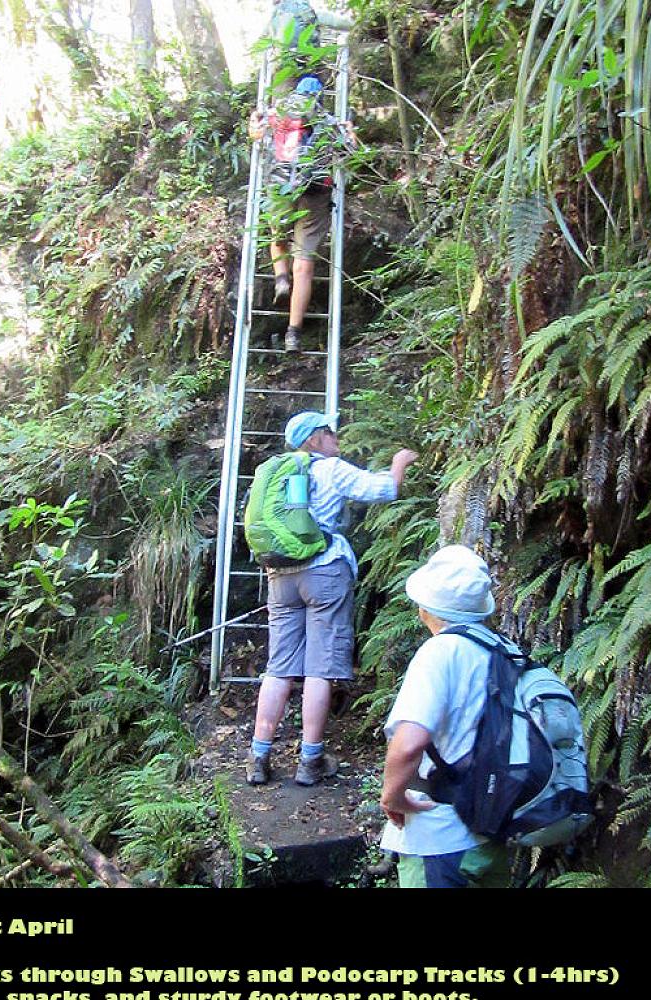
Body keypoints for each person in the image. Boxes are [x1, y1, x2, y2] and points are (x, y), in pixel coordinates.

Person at [247, 411, 418, 786]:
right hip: (324, 572)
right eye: (328, 430)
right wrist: (400, 463)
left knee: (278, 667)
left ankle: (259, 756)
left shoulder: (277, 473)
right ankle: (310, 760)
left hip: (281, 576)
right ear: (313, 440)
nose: (334, 434)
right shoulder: (329, 469)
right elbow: (384, 490)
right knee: (320, 667)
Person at [378, 545, 515, 888]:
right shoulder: (506, 650)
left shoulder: (440, 653)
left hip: (439, 834)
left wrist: (392, 796)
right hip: (492, 827)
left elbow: (409, 744)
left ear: (427, 608)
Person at [248, 77, 355, 352]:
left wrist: (254, 119)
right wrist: (349, 131)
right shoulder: (328, 122)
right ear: (320, 97)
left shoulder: (278, 115)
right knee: (304, 265)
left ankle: (281, 279)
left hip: (280, 186)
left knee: (277, 233)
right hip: (315, 194)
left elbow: (255, 135)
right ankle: (293, 333)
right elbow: (350, 152)